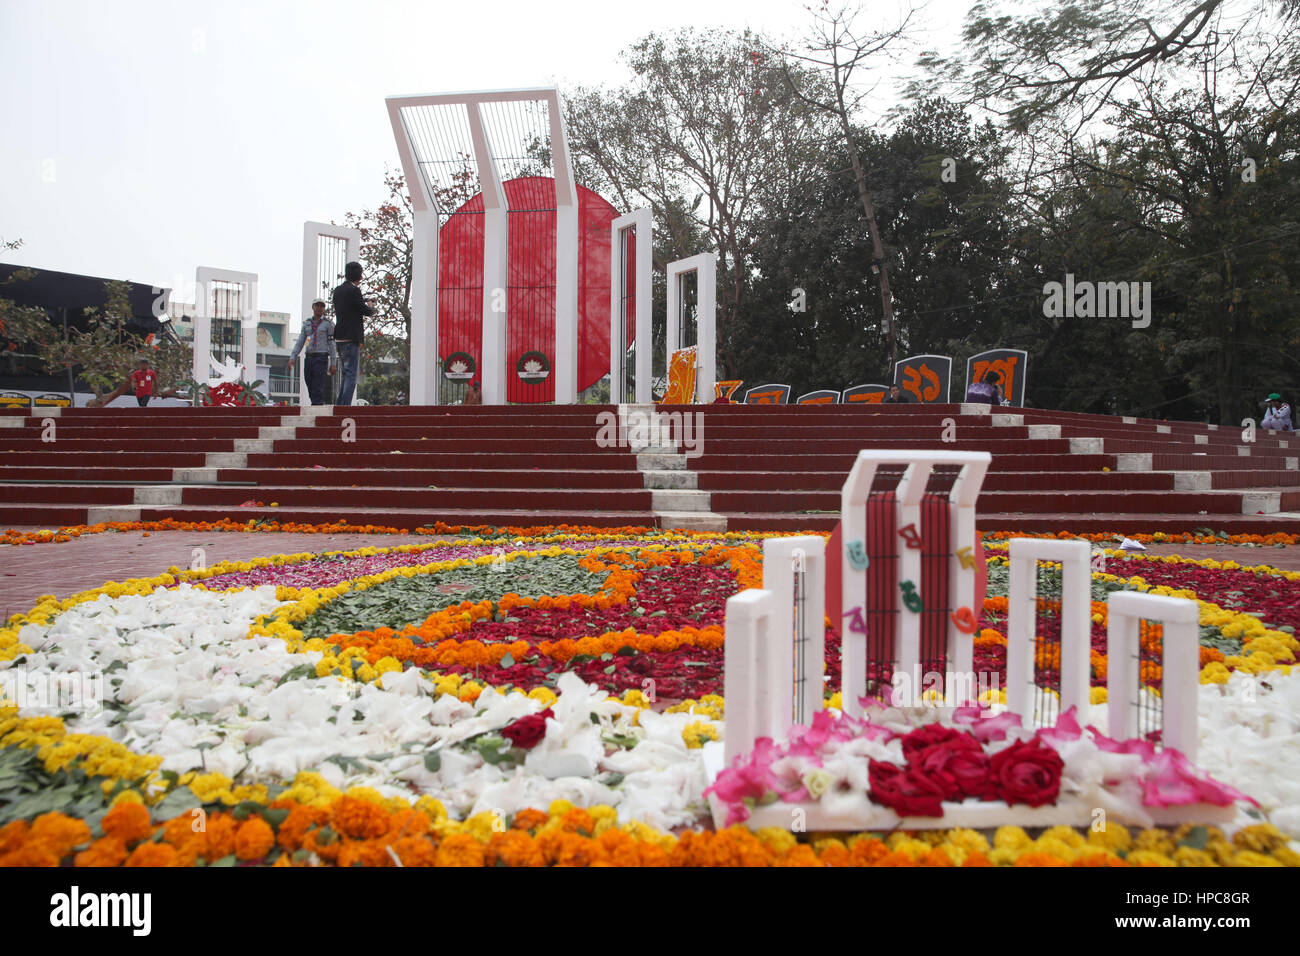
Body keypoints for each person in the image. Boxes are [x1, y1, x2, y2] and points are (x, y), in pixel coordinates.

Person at [331, 261, 376, 406]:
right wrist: (371, 305)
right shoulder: (354, 291)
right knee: (351, 375)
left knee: (345, 373)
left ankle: (340, 404)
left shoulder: (338, 290)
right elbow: (366, 311)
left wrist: (363, 300)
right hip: (351, 338)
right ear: (359, 275)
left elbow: (349, 304)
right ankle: (344, 406)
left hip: (339, 337)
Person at [289, 298, 337, 405]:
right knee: (308, 380)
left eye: (322, 306)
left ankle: (317, 404)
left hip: (321, 357)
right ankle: (316, 402)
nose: (319, 308)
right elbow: (300, 341)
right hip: (309, 357)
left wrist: (333, 363)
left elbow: (331, 344)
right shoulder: (307, 324)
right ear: (313, 307)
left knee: (317, 383)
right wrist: (293, 357)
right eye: (317, 305)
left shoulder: (328, 324)